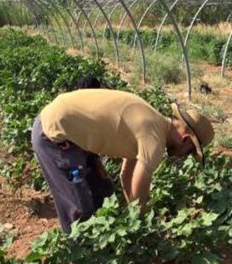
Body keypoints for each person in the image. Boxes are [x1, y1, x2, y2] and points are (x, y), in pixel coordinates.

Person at [31, 86, 215, 232]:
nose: (184, 156)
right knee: (80, 208)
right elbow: (139, 184)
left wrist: (133, 213)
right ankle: (86, 263)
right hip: (54, 133)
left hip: (75, 135)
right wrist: (142, 222)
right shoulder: (154, 138)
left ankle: (103, 253)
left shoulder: (153, 123)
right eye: (190, 152)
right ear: (185, 140)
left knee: (104, 193)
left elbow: (126, 175)